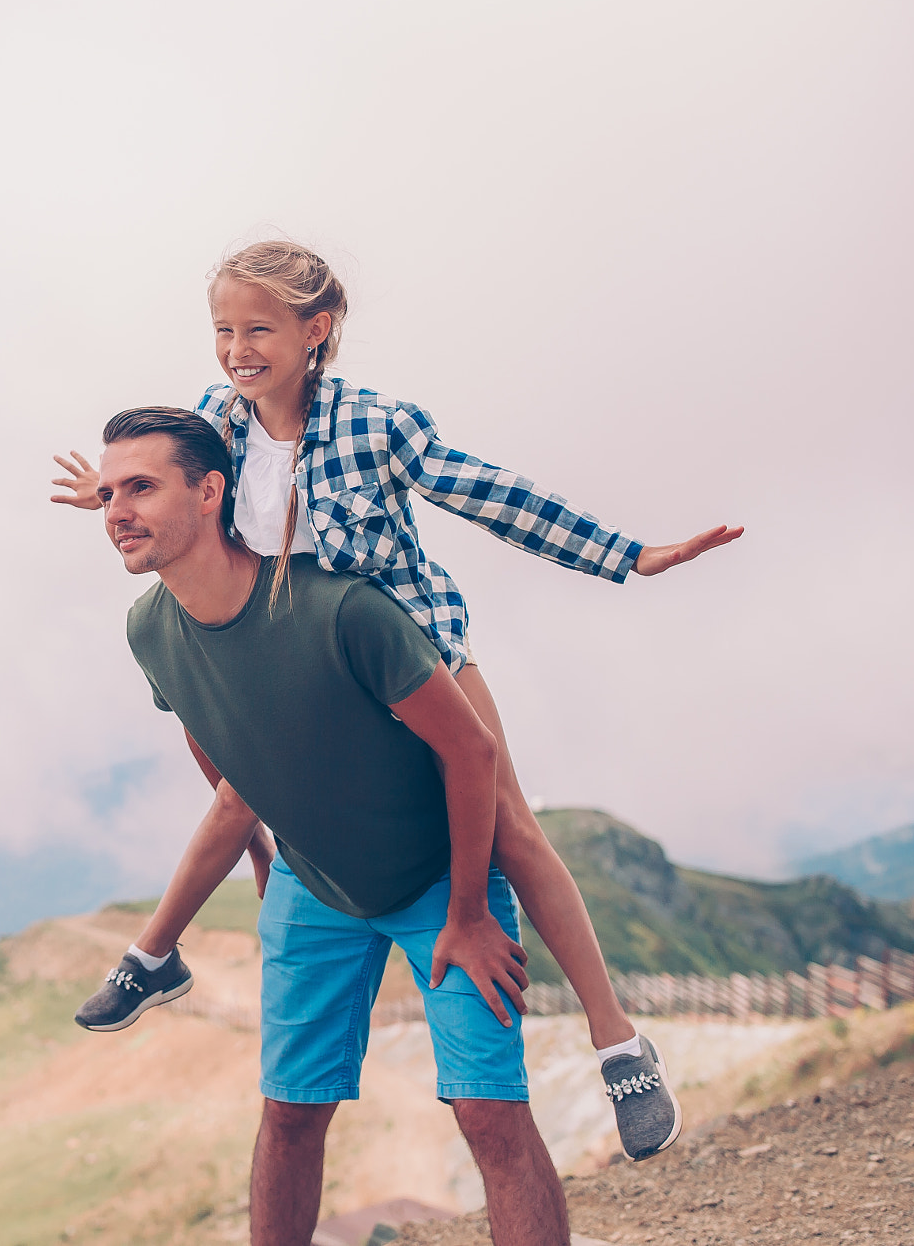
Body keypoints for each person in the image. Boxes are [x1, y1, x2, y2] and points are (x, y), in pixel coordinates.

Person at [55, 240, 737, 1162]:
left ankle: (619, 1042)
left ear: (316, 329)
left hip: (406, 647)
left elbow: (491, 494)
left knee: (511, 827)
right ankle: (156, 955)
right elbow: (171, 479)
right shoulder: (220, 419)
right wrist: (107, 492)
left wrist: (625, 554)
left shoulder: (377, 424)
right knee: (243, 789)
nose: (237, 348)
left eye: (259, 328)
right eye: (223, 329)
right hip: (290, 660)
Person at [95, 406, 572, 1246]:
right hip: (317, 887)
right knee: (288, 1115)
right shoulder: (149, 629)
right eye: (106, 493)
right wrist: (265, 855)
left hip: (441, 879)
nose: (116, 511)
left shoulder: (339, 611)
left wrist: (466, 911)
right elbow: (215, 742)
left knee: (489, 1114)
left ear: (211, 492)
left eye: (141, 486)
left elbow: (471, 751)